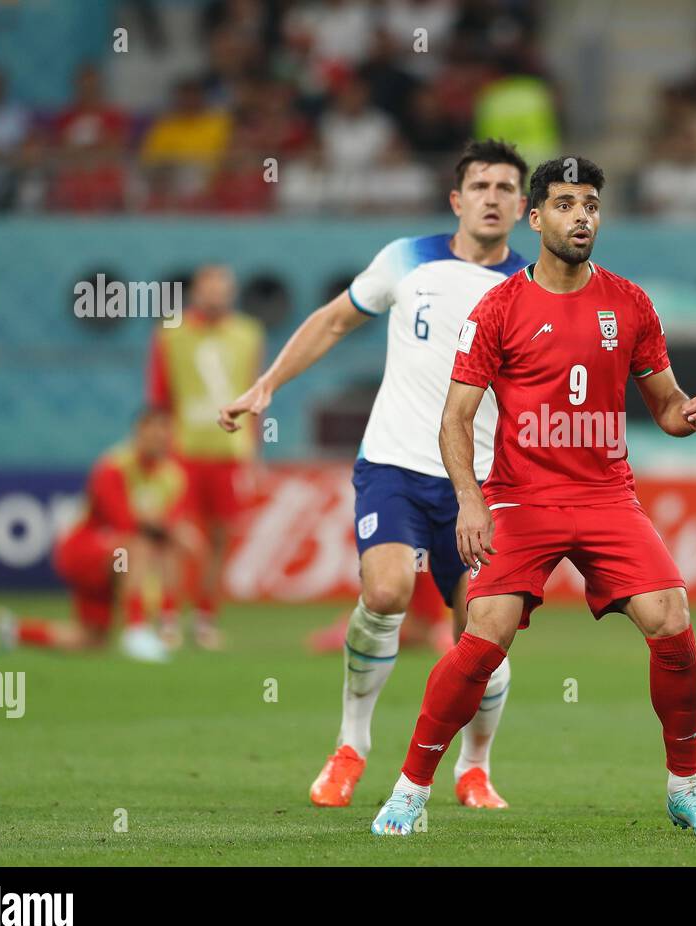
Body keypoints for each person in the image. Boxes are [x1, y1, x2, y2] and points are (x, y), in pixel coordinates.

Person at [369, 156, 696, 839]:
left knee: (672, 621)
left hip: (606, 499)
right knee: (486, 636)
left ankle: (685, 789)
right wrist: (471, 502)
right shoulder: (499, 308)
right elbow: (454, 419)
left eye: (591, 204)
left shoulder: (629, 303)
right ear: (535, 219)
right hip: (519, 501)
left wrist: (693, 414)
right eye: (566, 204)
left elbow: (666, 405)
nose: (582, 216)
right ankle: (409, 791)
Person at [219, 140, 529, 810]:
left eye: (507, 188)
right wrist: (267, 384)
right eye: (481, 185)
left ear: (523, 208)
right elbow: (334, 321)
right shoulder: (405, 259)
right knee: (387, 592)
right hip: (393, 464)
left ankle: (474, 768)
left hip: (479, 486)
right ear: (458, 199)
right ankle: (351, 746)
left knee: (483, 630)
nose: (493, 197)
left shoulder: (532, 291)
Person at [0, 408, 201, 663]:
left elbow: (173, 524)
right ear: (138, 432)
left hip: (114, 563)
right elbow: (123, 523)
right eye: (153, 429)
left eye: (165, 430)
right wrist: (161, 524)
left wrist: (173, 531)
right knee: (138, 545)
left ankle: (13, 631)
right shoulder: (113, 467)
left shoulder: (173, 476)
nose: (159, 436)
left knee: (91, 639)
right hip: (84, 551)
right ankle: (136, 629)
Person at [148, 264, 263, 649]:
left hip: (230, 452)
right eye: (209, 289)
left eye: (222, 289)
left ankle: (204, 619)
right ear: (196, 291)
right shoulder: (171, 333)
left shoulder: (248, 334)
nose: (216, 296)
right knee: (175, 537)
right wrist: (159, 448)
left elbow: (256, 393)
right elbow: (159, 397)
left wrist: (256, 452)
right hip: (184, 450)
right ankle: (166, 616)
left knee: (218, 539)